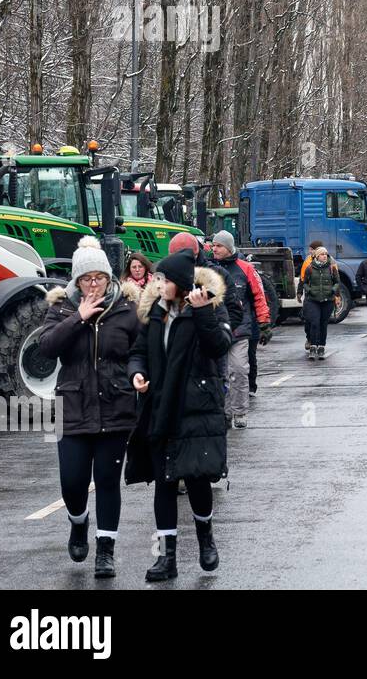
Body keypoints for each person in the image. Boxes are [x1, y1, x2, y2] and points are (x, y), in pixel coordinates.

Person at [36, 237, 141, 578]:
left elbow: (139, 352)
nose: (94, 284)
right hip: (73, 407)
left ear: (109, 277)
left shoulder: (126, 309)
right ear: (76, 282)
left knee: (108, 481)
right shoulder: (63, 307)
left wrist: (138, 374)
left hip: (116, 406)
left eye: (99, 277)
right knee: (72, 482)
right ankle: (78, 522)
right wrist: (78, 318)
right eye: (86, 279)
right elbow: (47, 347)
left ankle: (105, 551)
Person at [126, 249, 233, 581]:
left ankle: (206, 540)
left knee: (198, 480)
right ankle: (166, 558)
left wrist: (202, 313)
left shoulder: (210, 306)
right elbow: (139, 351)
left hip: (195, 410)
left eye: (165, 279)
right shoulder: (155, 313)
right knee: (164, 485)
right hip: (160, 408)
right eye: (158, 278)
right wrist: (137, 373)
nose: (159, 284)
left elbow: (219, 346)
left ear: (183, 284)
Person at [208, 230, 269, 427]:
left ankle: (240, 412)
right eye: (213, 245)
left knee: (239, 370)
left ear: (229, 247)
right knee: (221, 374)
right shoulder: (208, 269)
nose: (214, 249)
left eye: (219, 246)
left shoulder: (245, 269)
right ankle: (224, 413)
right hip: (216, 331)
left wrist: (264, 323)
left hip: (239, 330)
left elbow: (259, 296)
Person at [299, 247, 340, 360]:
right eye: (322, 254)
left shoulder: (332, 268)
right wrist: (309, 290)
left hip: (327, 300)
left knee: (323, 324)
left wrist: (333, 290)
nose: (324, 256)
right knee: (314, 323)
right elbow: (304, 282)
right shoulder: (310, 268)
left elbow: (337, 282)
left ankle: (321, 347)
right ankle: (313, 347)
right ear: (317, 256)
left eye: (326, 254)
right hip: (313, 300)